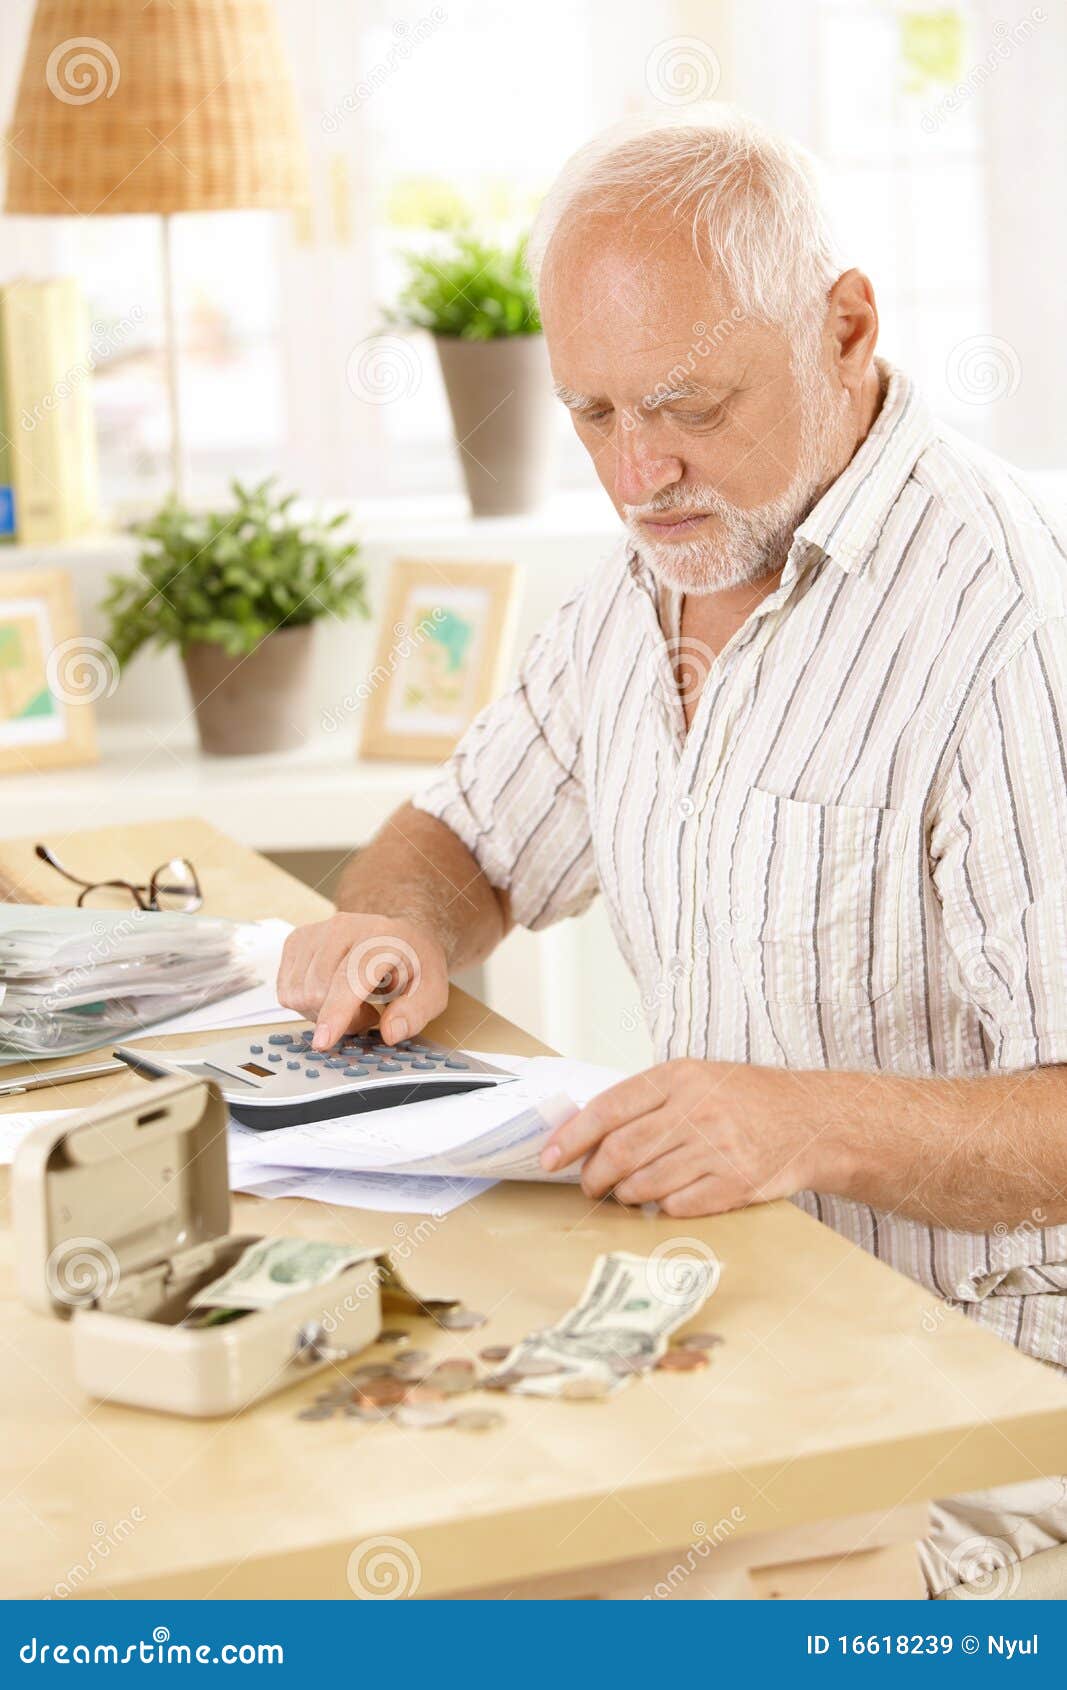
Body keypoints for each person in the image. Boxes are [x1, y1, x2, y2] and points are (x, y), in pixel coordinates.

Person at [279, 108, 1067, 1596]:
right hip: (748, 1337)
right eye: (593, 414)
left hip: (978, 1433)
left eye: (691, 404)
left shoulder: (1007, 629)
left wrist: (800, 1122)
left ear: (846, 330)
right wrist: (397, 926)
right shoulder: (649, 578)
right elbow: (461, 840)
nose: (640, 473)